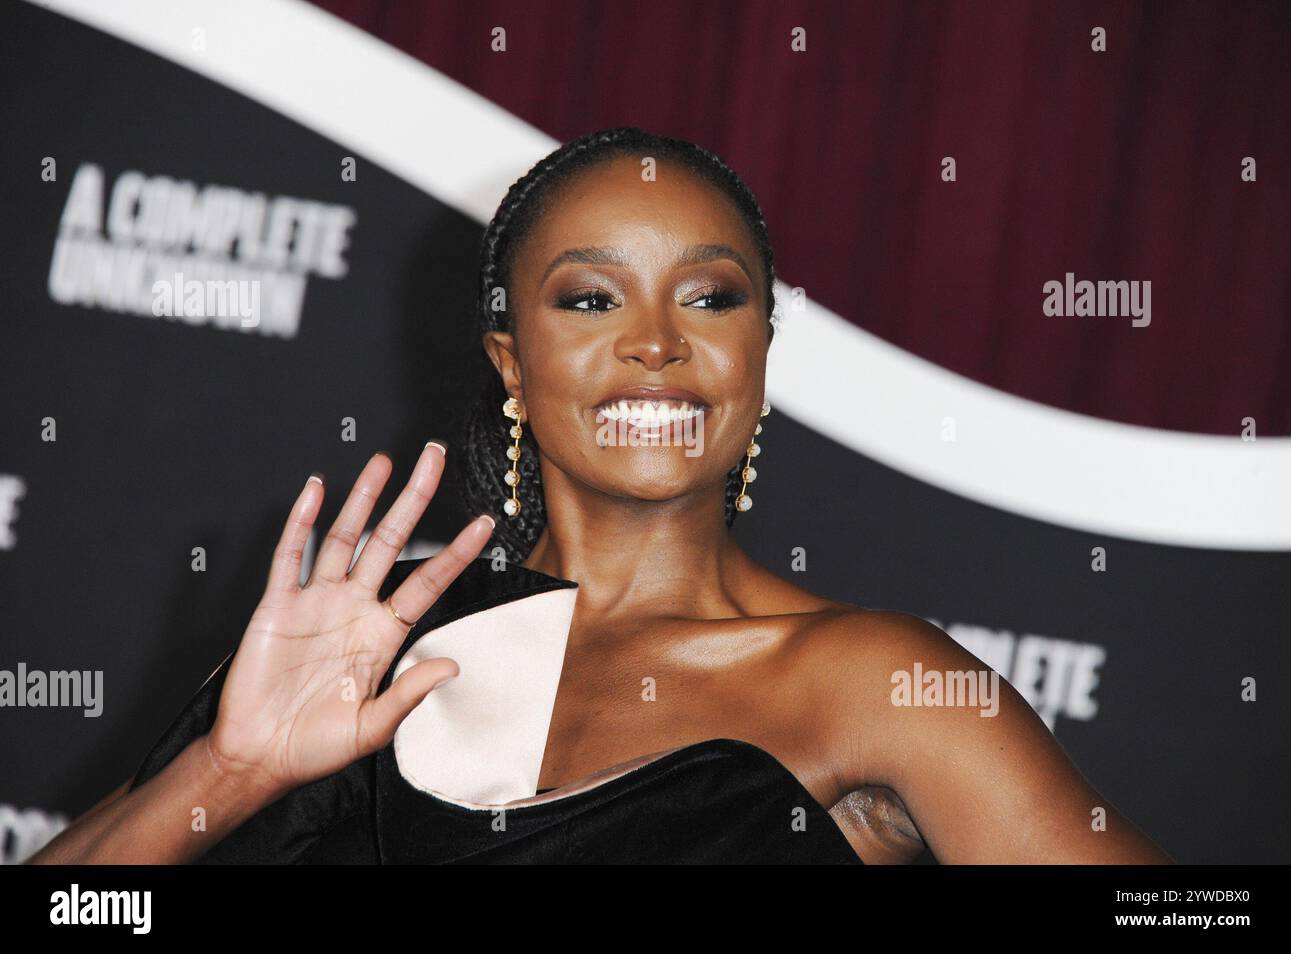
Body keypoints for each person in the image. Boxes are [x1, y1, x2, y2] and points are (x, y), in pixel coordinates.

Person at [29, 128, 1171, 864]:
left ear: (760, 352)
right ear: (510, 363)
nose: (656, 346)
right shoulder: (381, 645)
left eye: (710, 299)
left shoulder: (872, 681)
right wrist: (228, 773)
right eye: (589, 301)